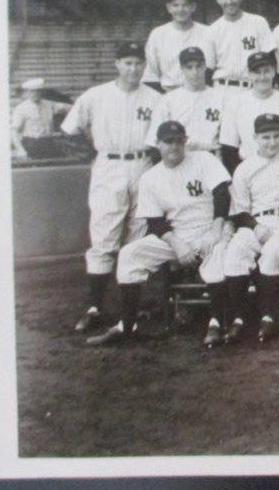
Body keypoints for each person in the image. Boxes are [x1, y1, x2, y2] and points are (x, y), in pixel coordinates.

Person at [86, 120, 233, 348]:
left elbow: (222, 194)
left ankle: (216, 324)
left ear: (185, 142)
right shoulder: (150, 177)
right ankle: (127, 326)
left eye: (179, 141)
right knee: (129, 254)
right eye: (168, 141)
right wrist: (177, 244)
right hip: (177, 235)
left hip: (209, 228)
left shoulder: (204, 159)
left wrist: (216, 229)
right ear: (158, 144)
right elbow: (154, 222)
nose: (174, 146)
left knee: (218, 253)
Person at [61, 41, 160, 334]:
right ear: (117, 64)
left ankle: (132, 308)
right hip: (109, 164)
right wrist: (89, 154)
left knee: (137, 236)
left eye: (138, 63)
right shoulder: (96, 95)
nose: (133, 69)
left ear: (145, 65)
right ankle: (95, 307)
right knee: (104, 236)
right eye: (127, 62)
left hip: (143, 164)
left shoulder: (155, 98)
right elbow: (69, 130)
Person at [220, 113, 279, 342]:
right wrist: (255, 227)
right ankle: (239, 319)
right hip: (256, 222)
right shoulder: (245, 167)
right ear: (255, 138)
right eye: (265, 137)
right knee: (234, 254)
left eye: (276, 136)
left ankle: (269, 317)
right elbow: (240, 209)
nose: (272, 142)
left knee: (272, 253)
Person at [218, 51, 279, 169]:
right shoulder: (235, 103)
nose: (262, 77)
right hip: (248, 168)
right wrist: (241, 174)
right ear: (249, 74)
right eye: (257, 72)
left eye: (266, 71)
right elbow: (228, 148)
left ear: (274, 71)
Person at [144, 47, 223, 155]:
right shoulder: (168, 100)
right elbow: (155, 139)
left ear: (205, 66)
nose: (195, 72)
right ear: (182, 68)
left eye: (198, 66)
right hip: (180, 155)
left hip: (210, 154)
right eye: (189, 67)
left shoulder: (221, 98)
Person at [206, 0, 275, 89]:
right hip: (222, 87)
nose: (229, 1)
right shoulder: (212, 30)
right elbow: (209, 67)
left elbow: (269, 58)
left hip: (252, 86)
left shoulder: (258, 22)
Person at [142, 0, 211, 93]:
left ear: (193, 7)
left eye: (185, 5)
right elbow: (150, 74)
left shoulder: (208, 32)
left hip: (200, 93)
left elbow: (212, 68)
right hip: (168, 92)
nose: (180, 9)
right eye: (175, 5)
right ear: (168, 8)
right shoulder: (158, 34)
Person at [11, 77, 70, 160]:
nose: (35, 94)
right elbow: (14, 131)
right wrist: (21, 150)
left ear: (42, 92)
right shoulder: (21, 108)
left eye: (38, 91)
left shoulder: (50, 105)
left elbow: (71, 108)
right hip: (31, 144)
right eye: (32, 91)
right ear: (28, 92)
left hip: (48, 143)